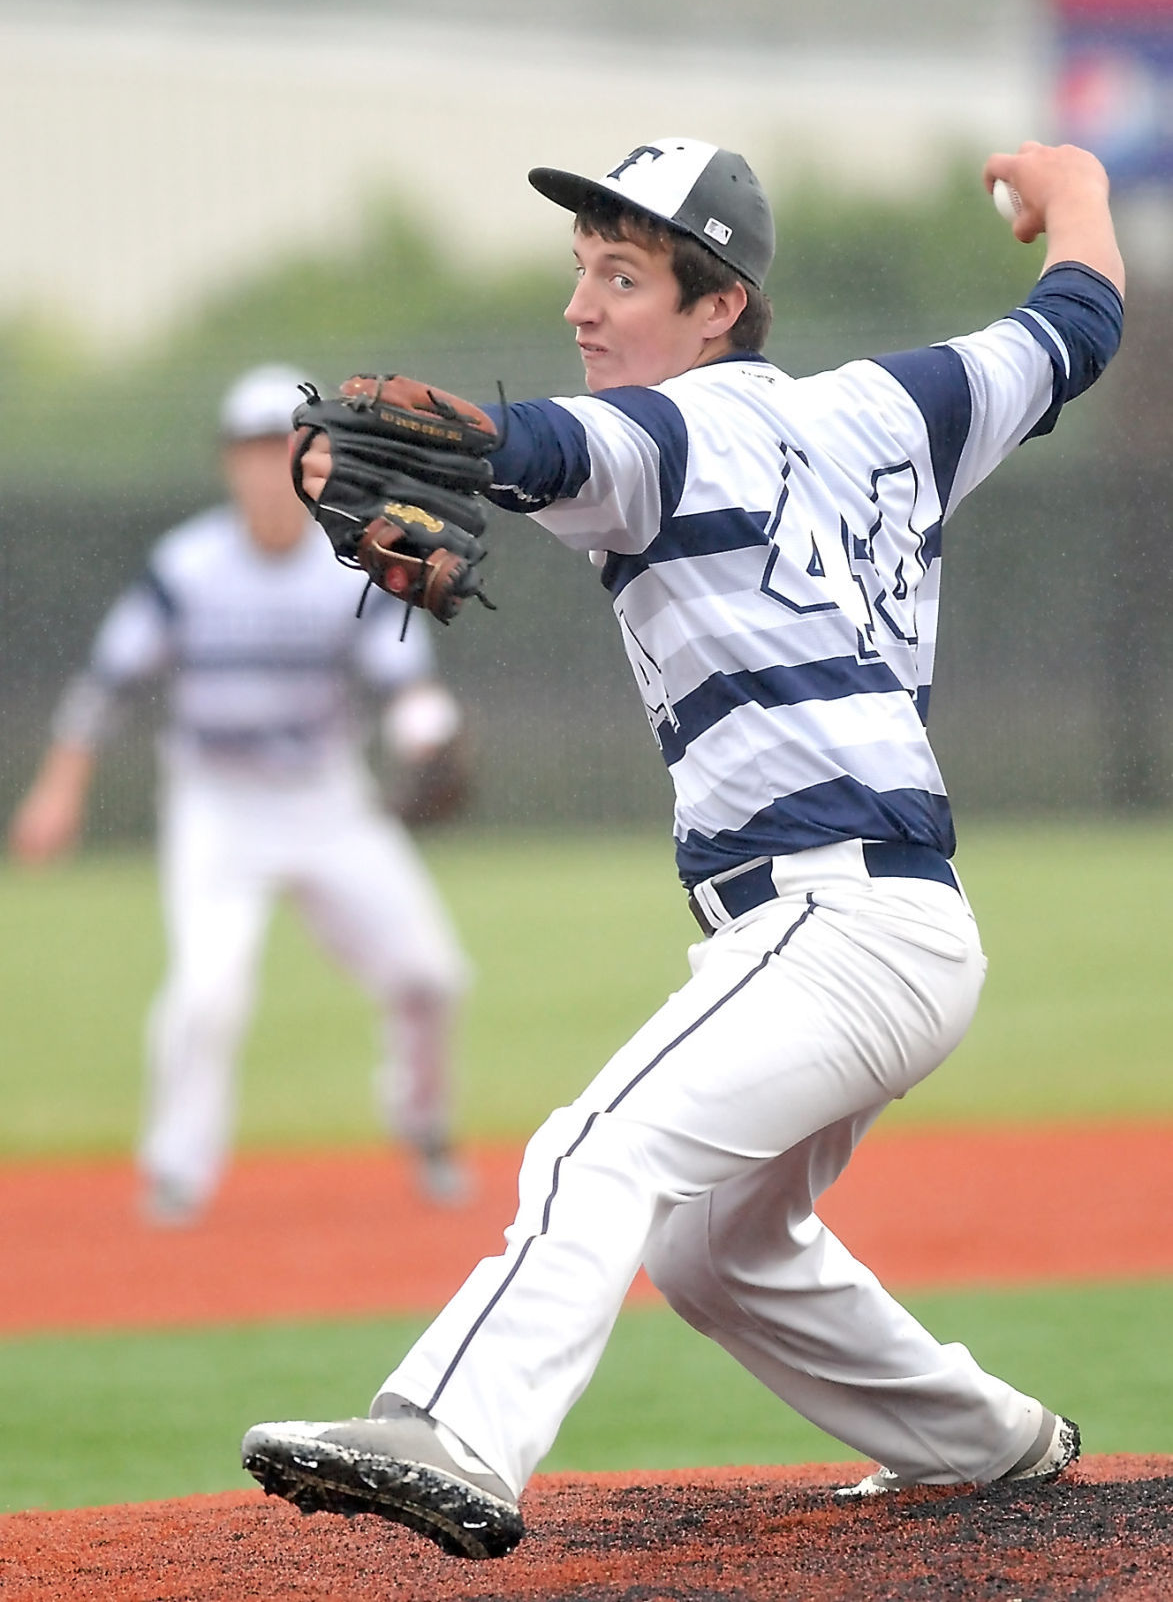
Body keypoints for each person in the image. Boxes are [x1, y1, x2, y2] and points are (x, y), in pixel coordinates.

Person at [241, 140, 1125, 1558]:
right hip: (895, 926)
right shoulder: (897, 407)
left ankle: (455, 1429)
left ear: (718, 307)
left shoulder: (661, 434)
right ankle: (987, 1440)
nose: (581, 308)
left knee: (597, 1145)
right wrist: (1072, 187)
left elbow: (533, 446)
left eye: (623, 277)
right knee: (713, 1246)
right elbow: (1076, 324)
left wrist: (372, 448)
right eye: (580, 271)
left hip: (834, 924)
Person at [8, 364, 473, 1223]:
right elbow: (107, 685)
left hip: (327, 798)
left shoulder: (355, 560)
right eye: (254, 450)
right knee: (207, 992)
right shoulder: (187, 566)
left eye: (289, 447)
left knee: (429, 976)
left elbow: (404, 683)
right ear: (229, 462)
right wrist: (57, 791)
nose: (270, 467)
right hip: (218, 804)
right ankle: (176, 1171)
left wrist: (426, 736)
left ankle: (424, 1127)